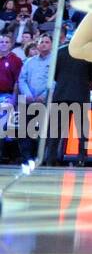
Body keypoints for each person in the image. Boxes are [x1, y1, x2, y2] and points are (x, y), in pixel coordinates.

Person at [16, 34, 54, 163]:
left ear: (52, 45)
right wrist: (28, 95)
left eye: (47, 42)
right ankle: (27, 158)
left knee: (44, 132)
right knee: (25, 130)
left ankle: (42, 159)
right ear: (37, 44)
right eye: (41, 42)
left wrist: (44, 95)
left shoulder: (55, 62)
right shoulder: (29, 62)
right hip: (29, 101)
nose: (43, 44)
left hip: (46, 102)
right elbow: (22, 80)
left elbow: (56, 81)